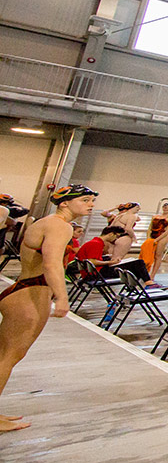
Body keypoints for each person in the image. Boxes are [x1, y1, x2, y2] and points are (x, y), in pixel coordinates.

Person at [0, 184, 97, 431]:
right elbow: (52, 264)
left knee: (6, 356)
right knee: (9, 356)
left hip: (28, 291)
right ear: (65, 203)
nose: (91, 205)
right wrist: (62, 298)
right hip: (28, 295)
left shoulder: (52, 223)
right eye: (85, 200)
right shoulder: (58, 225)